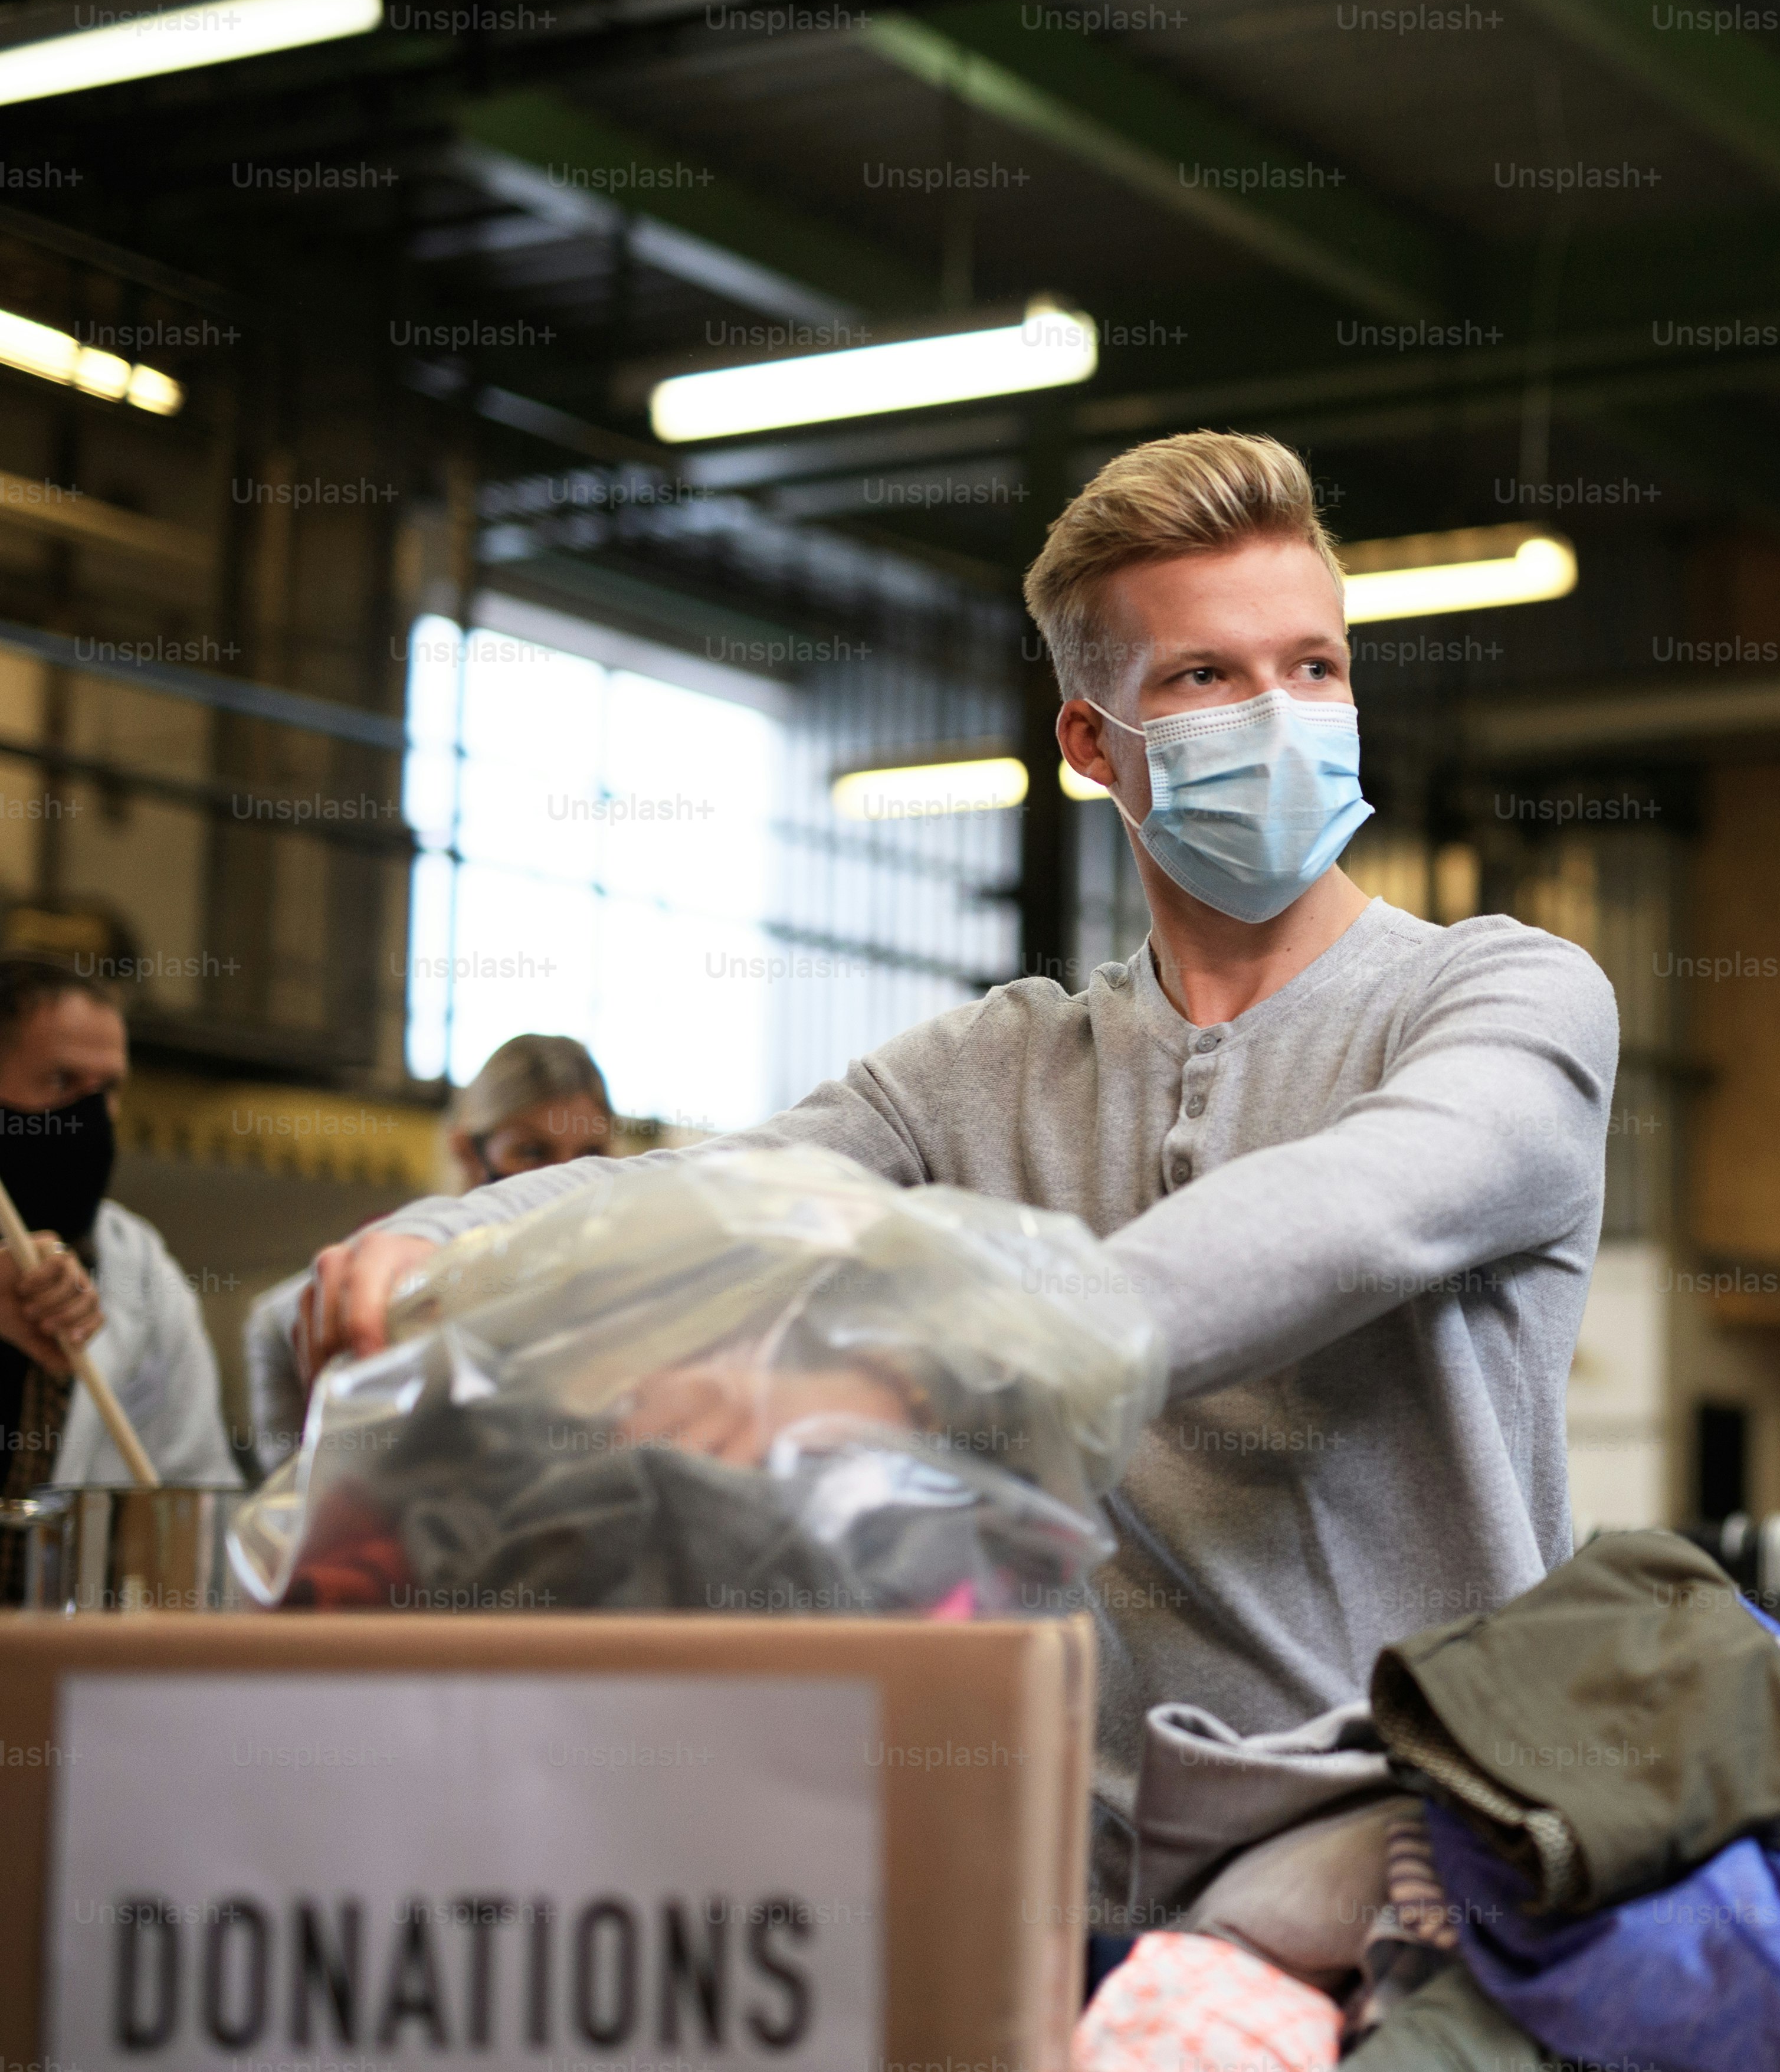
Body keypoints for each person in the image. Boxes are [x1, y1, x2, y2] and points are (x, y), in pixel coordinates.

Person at [297, 430, 1620, 1907]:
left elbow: (1360, 1205)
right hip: (1086, 1896)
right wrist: (448, 1242)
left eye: (1312, 668)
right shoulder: (996, 1070)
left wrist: (936, 1363)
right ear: (1088, 743)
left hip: (1435, 1883)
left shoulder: (1504, 998)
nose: (1278, 713)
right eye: (1203, 678)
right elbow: (716, 1191)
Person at [245, 1032, 615, 1467]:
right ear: (467, 1151)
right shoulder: (407, 1255)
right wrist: (296, 1475)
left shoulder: (617, 1271)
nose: (562, 1180)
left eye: (592, 1156)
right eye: (531, 1152)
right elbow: (271, 1323)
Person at [0, 951, 233, 1507]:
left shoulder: (142, 1270)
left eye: (108, 1091)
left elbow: (195, 1486)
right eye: (61, 1081)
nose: (92, 1118)